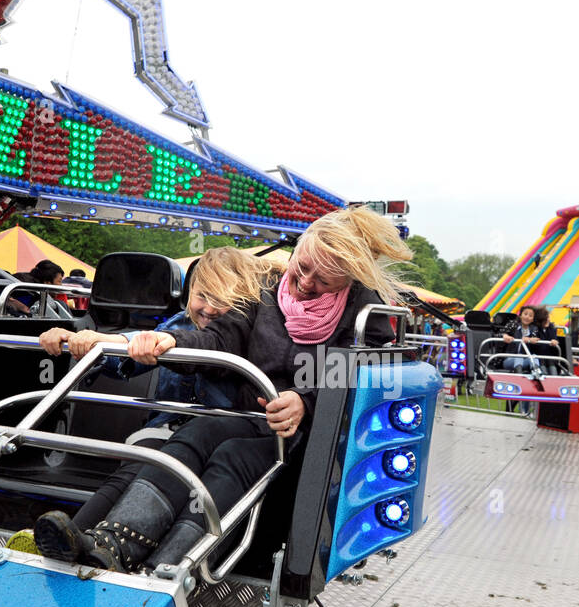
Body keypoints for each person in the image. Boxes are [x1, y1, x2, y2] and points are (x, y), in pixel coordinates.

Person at [38, 206, 408, 573]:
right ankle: (115, 543)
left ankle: (173, 566)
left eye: (324, 281)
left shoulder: (364, 312)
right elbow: (217, 339)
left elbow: (371, 367)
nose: (307, 282)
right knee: (197, 431)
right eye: (303, 266)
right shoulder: (265, 291)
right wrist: (168, 340)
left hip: (306, 435)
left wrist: (306, 400)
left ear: (348, 281)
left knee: (232, 456)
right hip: (248, 416)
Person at [27, 248, 270, 558]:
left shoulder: (248, 336)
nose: (208, 309)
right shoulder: (180, 325)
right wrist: (82, 339)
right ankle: (69, 541)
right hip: (165, 432)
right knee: (143, 460)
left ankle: (118, 550)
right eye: (202, 296)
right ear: (188, 293)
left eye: (222, 300)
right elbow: (137, 344)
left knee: (165, 460)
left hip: (215, 447)